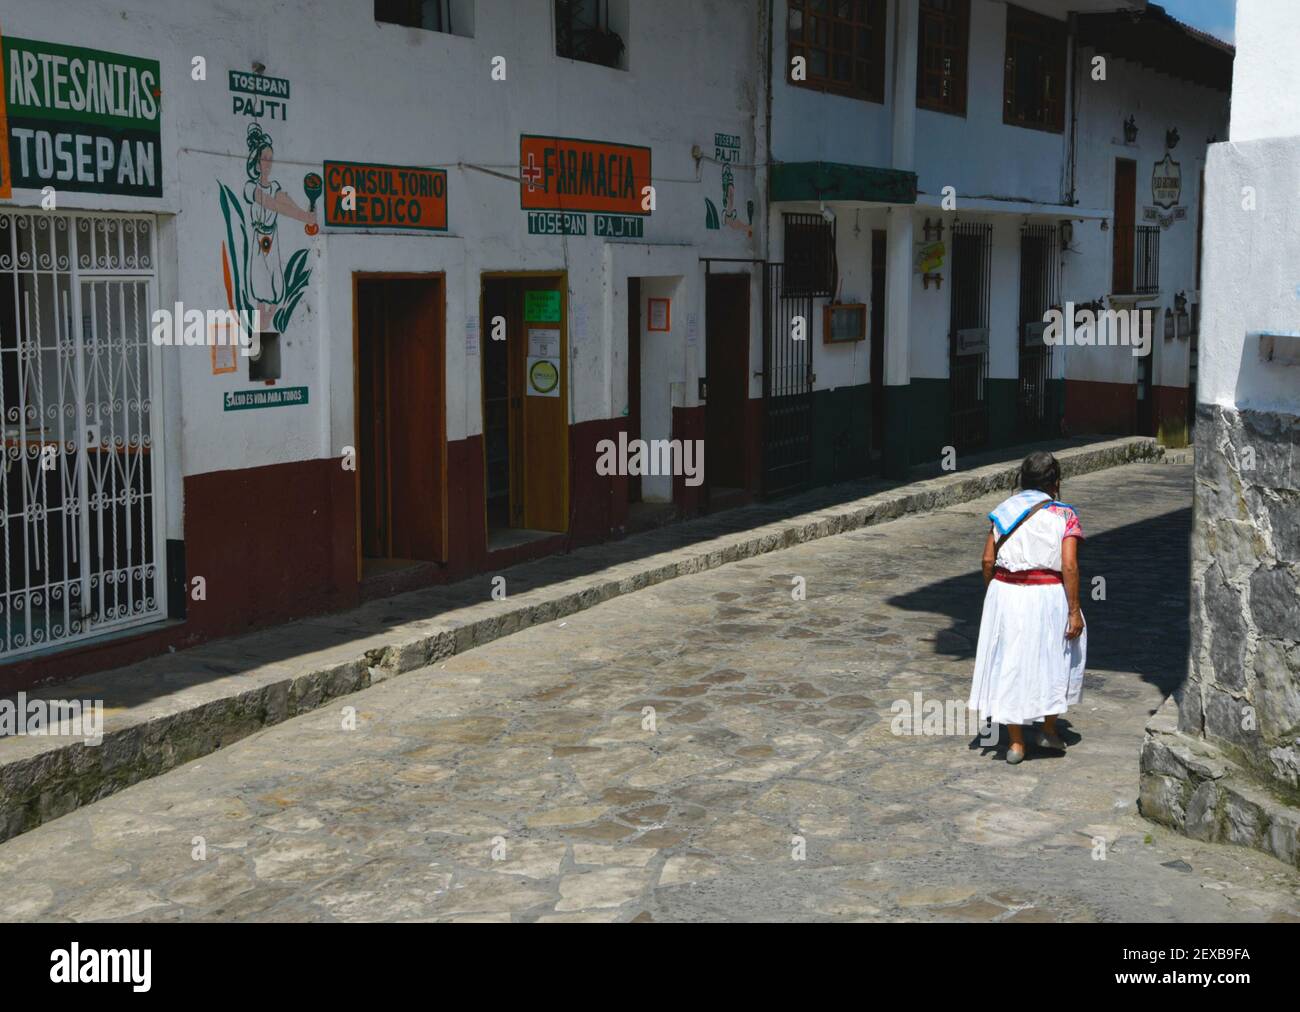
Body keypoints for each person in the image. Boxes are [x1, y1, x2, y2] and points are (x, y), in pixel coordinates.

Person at [968, 451, 1086, 764]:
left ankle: (1016, 743)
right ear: (1055, 482)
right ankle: (1048, 730)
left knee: (1009, 661)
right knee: (1053, 658)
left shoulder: (1003, 511)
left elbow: (987, 560)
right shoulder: (1064, 515)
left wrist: (997, 592)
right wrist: (1074, 610)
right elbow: (1069, 565)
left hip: (1006, 591)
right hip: (1047, 594)